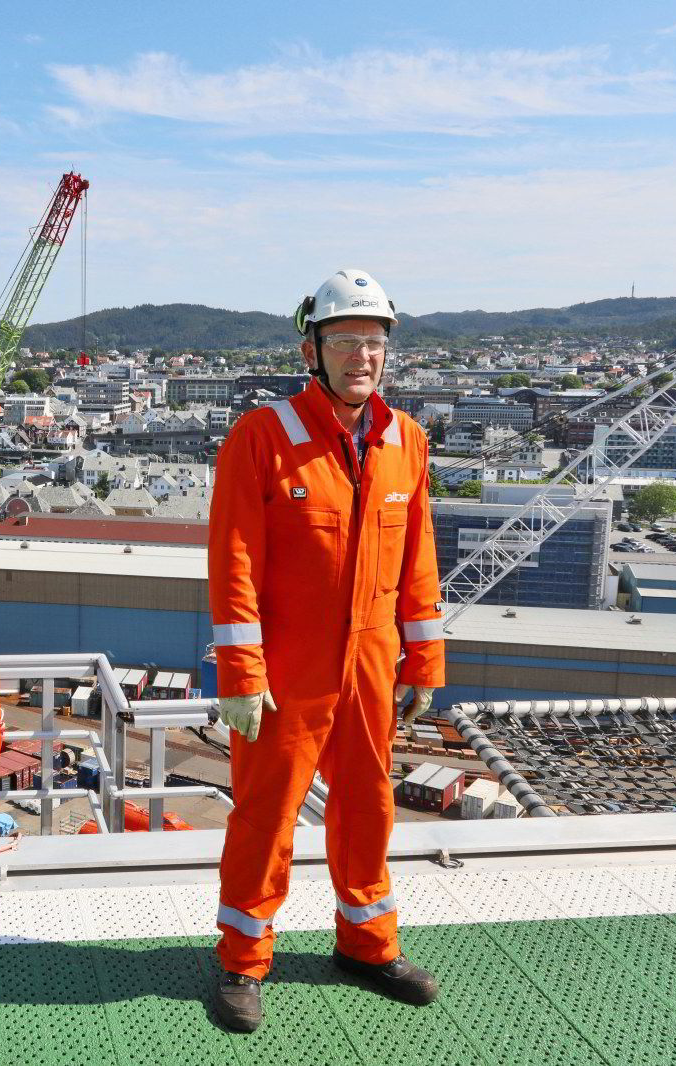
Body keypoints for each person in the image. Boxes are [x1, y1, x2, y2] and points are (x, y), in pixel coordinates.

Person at [208, 268, 445, 1032]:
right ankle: (243, 962)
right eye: (344, 342)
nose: (361, 357)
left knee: (369, 806)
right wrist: (242, 675)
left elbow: (419, 559)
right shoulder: (263, 436)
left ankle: (368, 946)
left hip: (372, 666)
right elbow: (233, 561)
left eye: (373, 343)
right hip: (287, 673)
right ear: (310, 349)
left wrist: (425, 660)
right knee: (267, 816)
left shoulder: (406, 441)